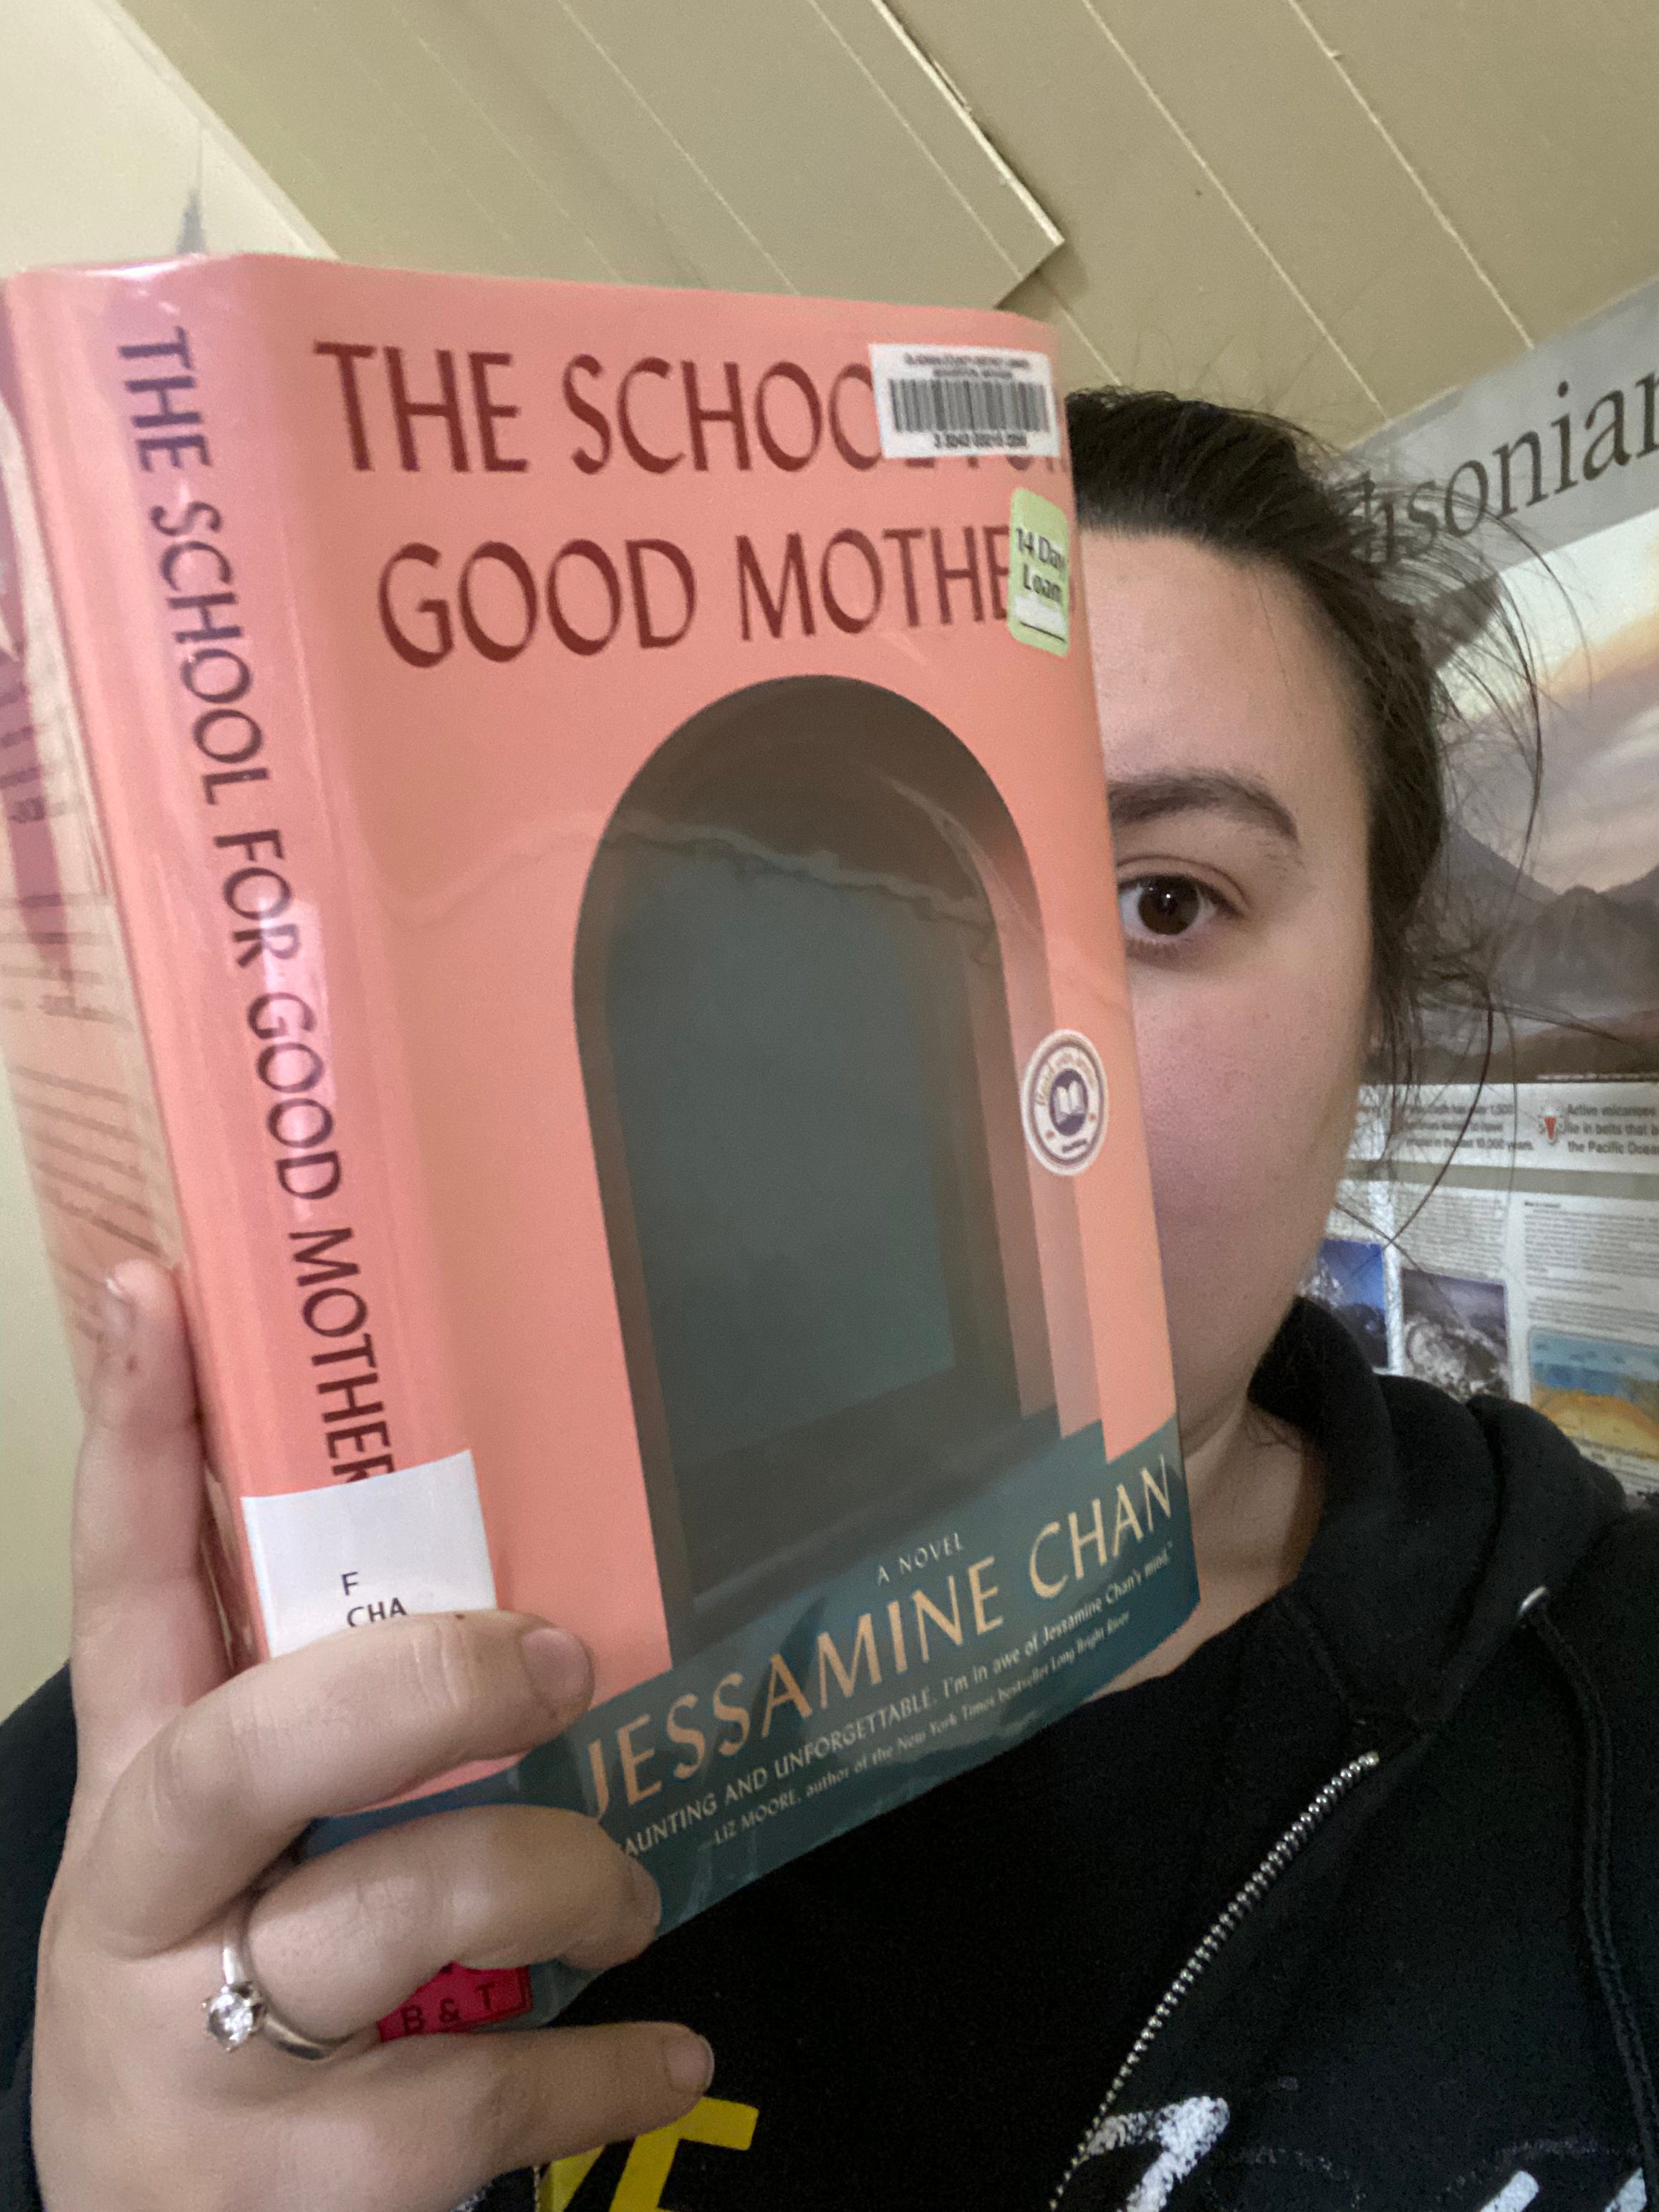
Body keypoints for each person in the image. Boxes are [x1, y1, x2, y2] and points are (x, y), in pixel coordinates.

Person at [6, 390, 1658, 2212]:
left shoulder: (1604, 1693)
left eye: (1164, 902)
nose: (1019, 1057)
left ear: (1375, 1004)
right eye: (865, 901)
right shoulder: (254, 1758)